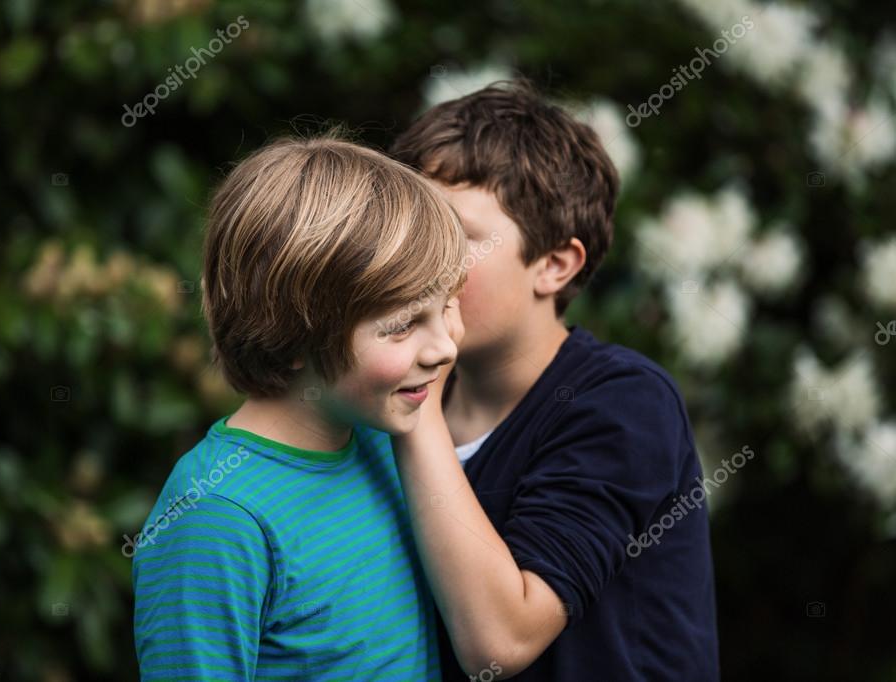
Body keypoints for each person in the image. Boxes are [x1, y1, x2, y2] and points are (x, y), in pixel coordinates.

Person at [389, 80, 720, 681]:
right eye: (413, 229)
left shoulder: (624, 403)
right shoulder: (386, 402)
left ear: (554, 265)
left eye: (454, 236)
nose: (417, 260)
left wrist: (418, 410)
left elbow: (500, 640)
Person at [132, 135, 467, 680]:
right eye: (404, 324)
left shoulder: (382, 437)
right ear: (289, 336)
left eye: (446, 306)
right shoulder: (216, 518)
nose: (445, 348)